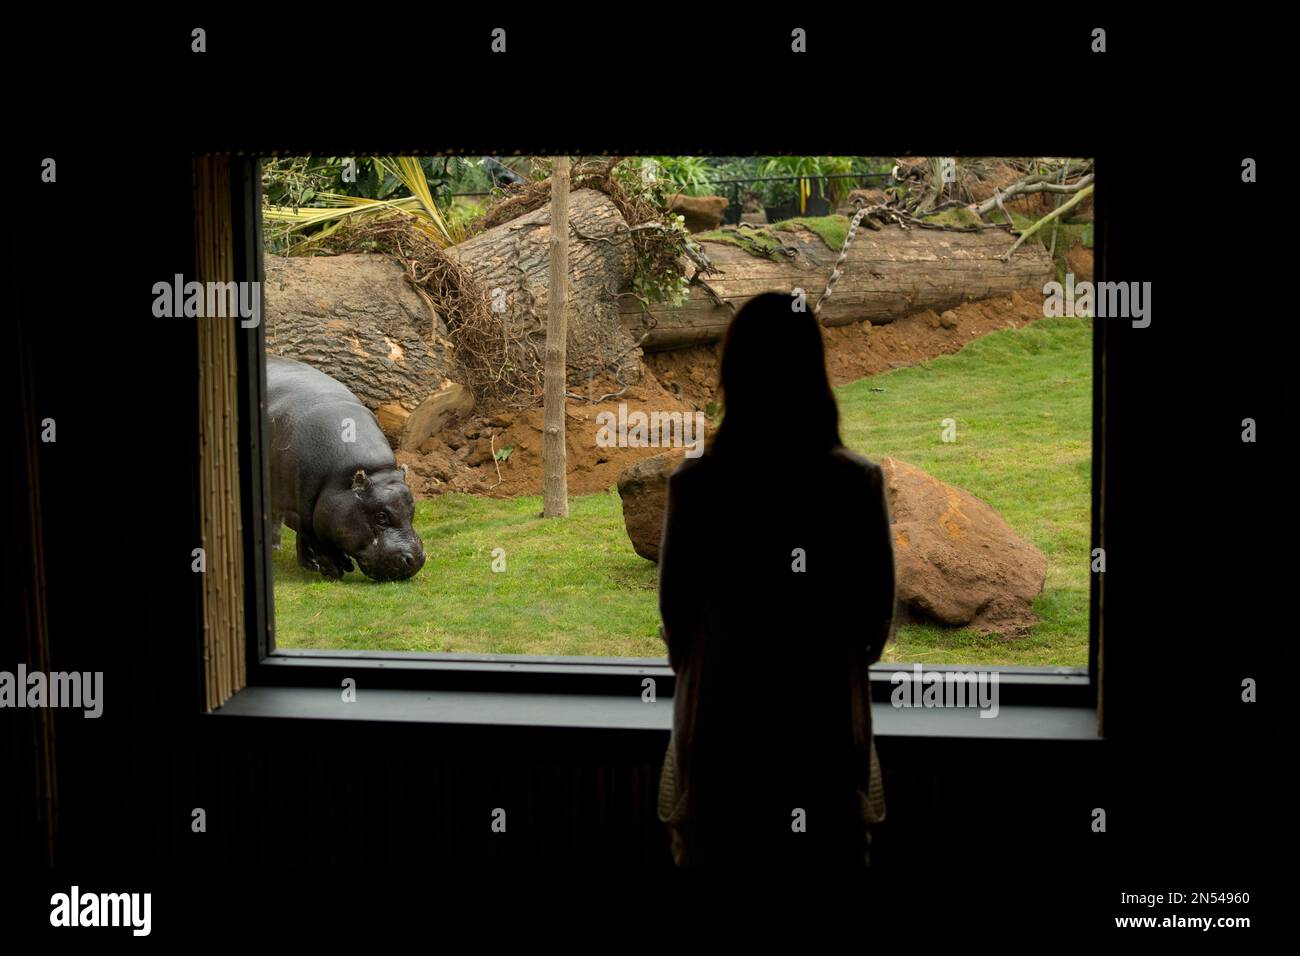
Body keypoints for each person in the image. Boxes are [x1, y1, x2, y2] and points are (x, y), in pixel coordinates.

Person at [656, 292, 896, 866]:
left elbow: (677, 626)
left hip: (721, 738)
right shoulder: (856, 485)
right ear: (816, 372)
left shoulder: (697, 486)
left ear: (731, 374)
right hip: (823, 738)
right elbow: (872, 631)